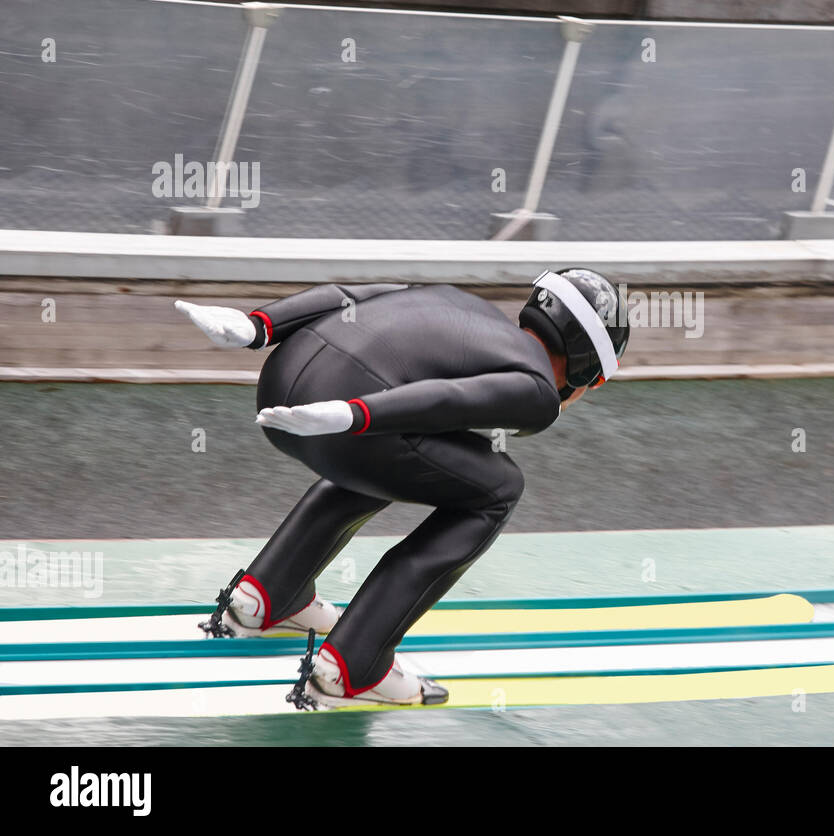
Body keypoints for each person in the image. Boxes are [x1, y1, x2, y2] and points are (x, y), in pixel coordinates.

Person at [174, 268, 629, 708]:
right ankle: (354, 665)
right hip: (342, 421)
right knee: (499, 488)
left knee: (417, 453)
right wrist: (358, 414)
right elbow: (451, 402)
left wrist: (260, 326)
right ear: (591, 371)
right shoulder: (538, 393)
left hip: (281, 383)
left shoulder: (462, 304)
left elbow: (351, 294)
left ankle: (269, 595)